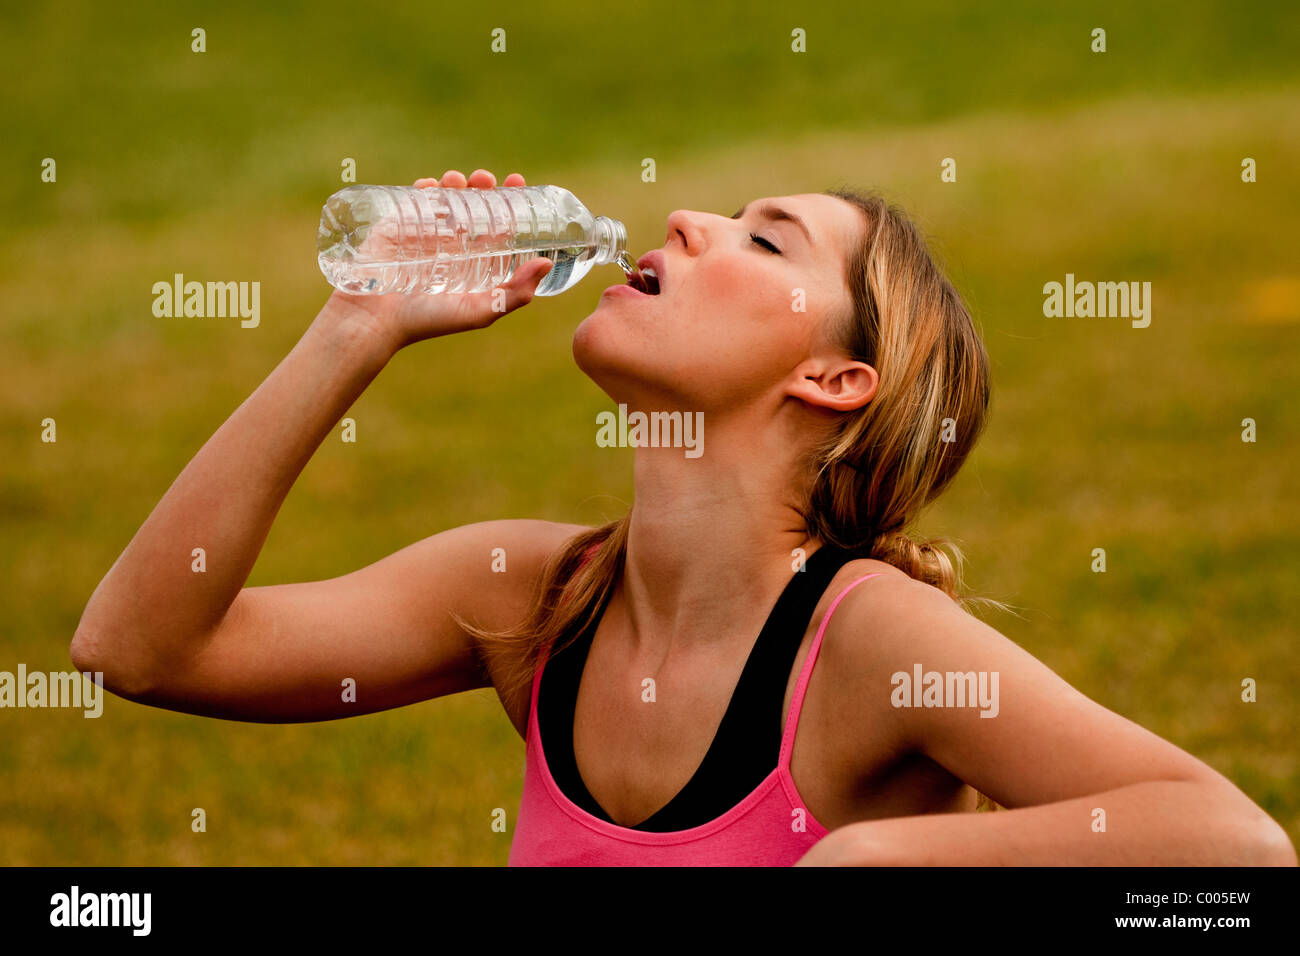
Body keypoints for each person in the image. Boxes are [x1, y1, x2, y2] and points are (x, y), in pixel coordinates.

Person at [71, 168, 1295, 866]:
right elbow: (141, 648)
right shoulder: (530, 596)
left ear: (832, 380)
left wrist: (880, 859)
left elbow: (1231, 844)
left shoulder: (868, 643)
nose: (684, 223)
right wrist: (358, 325)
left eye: (766, 238)